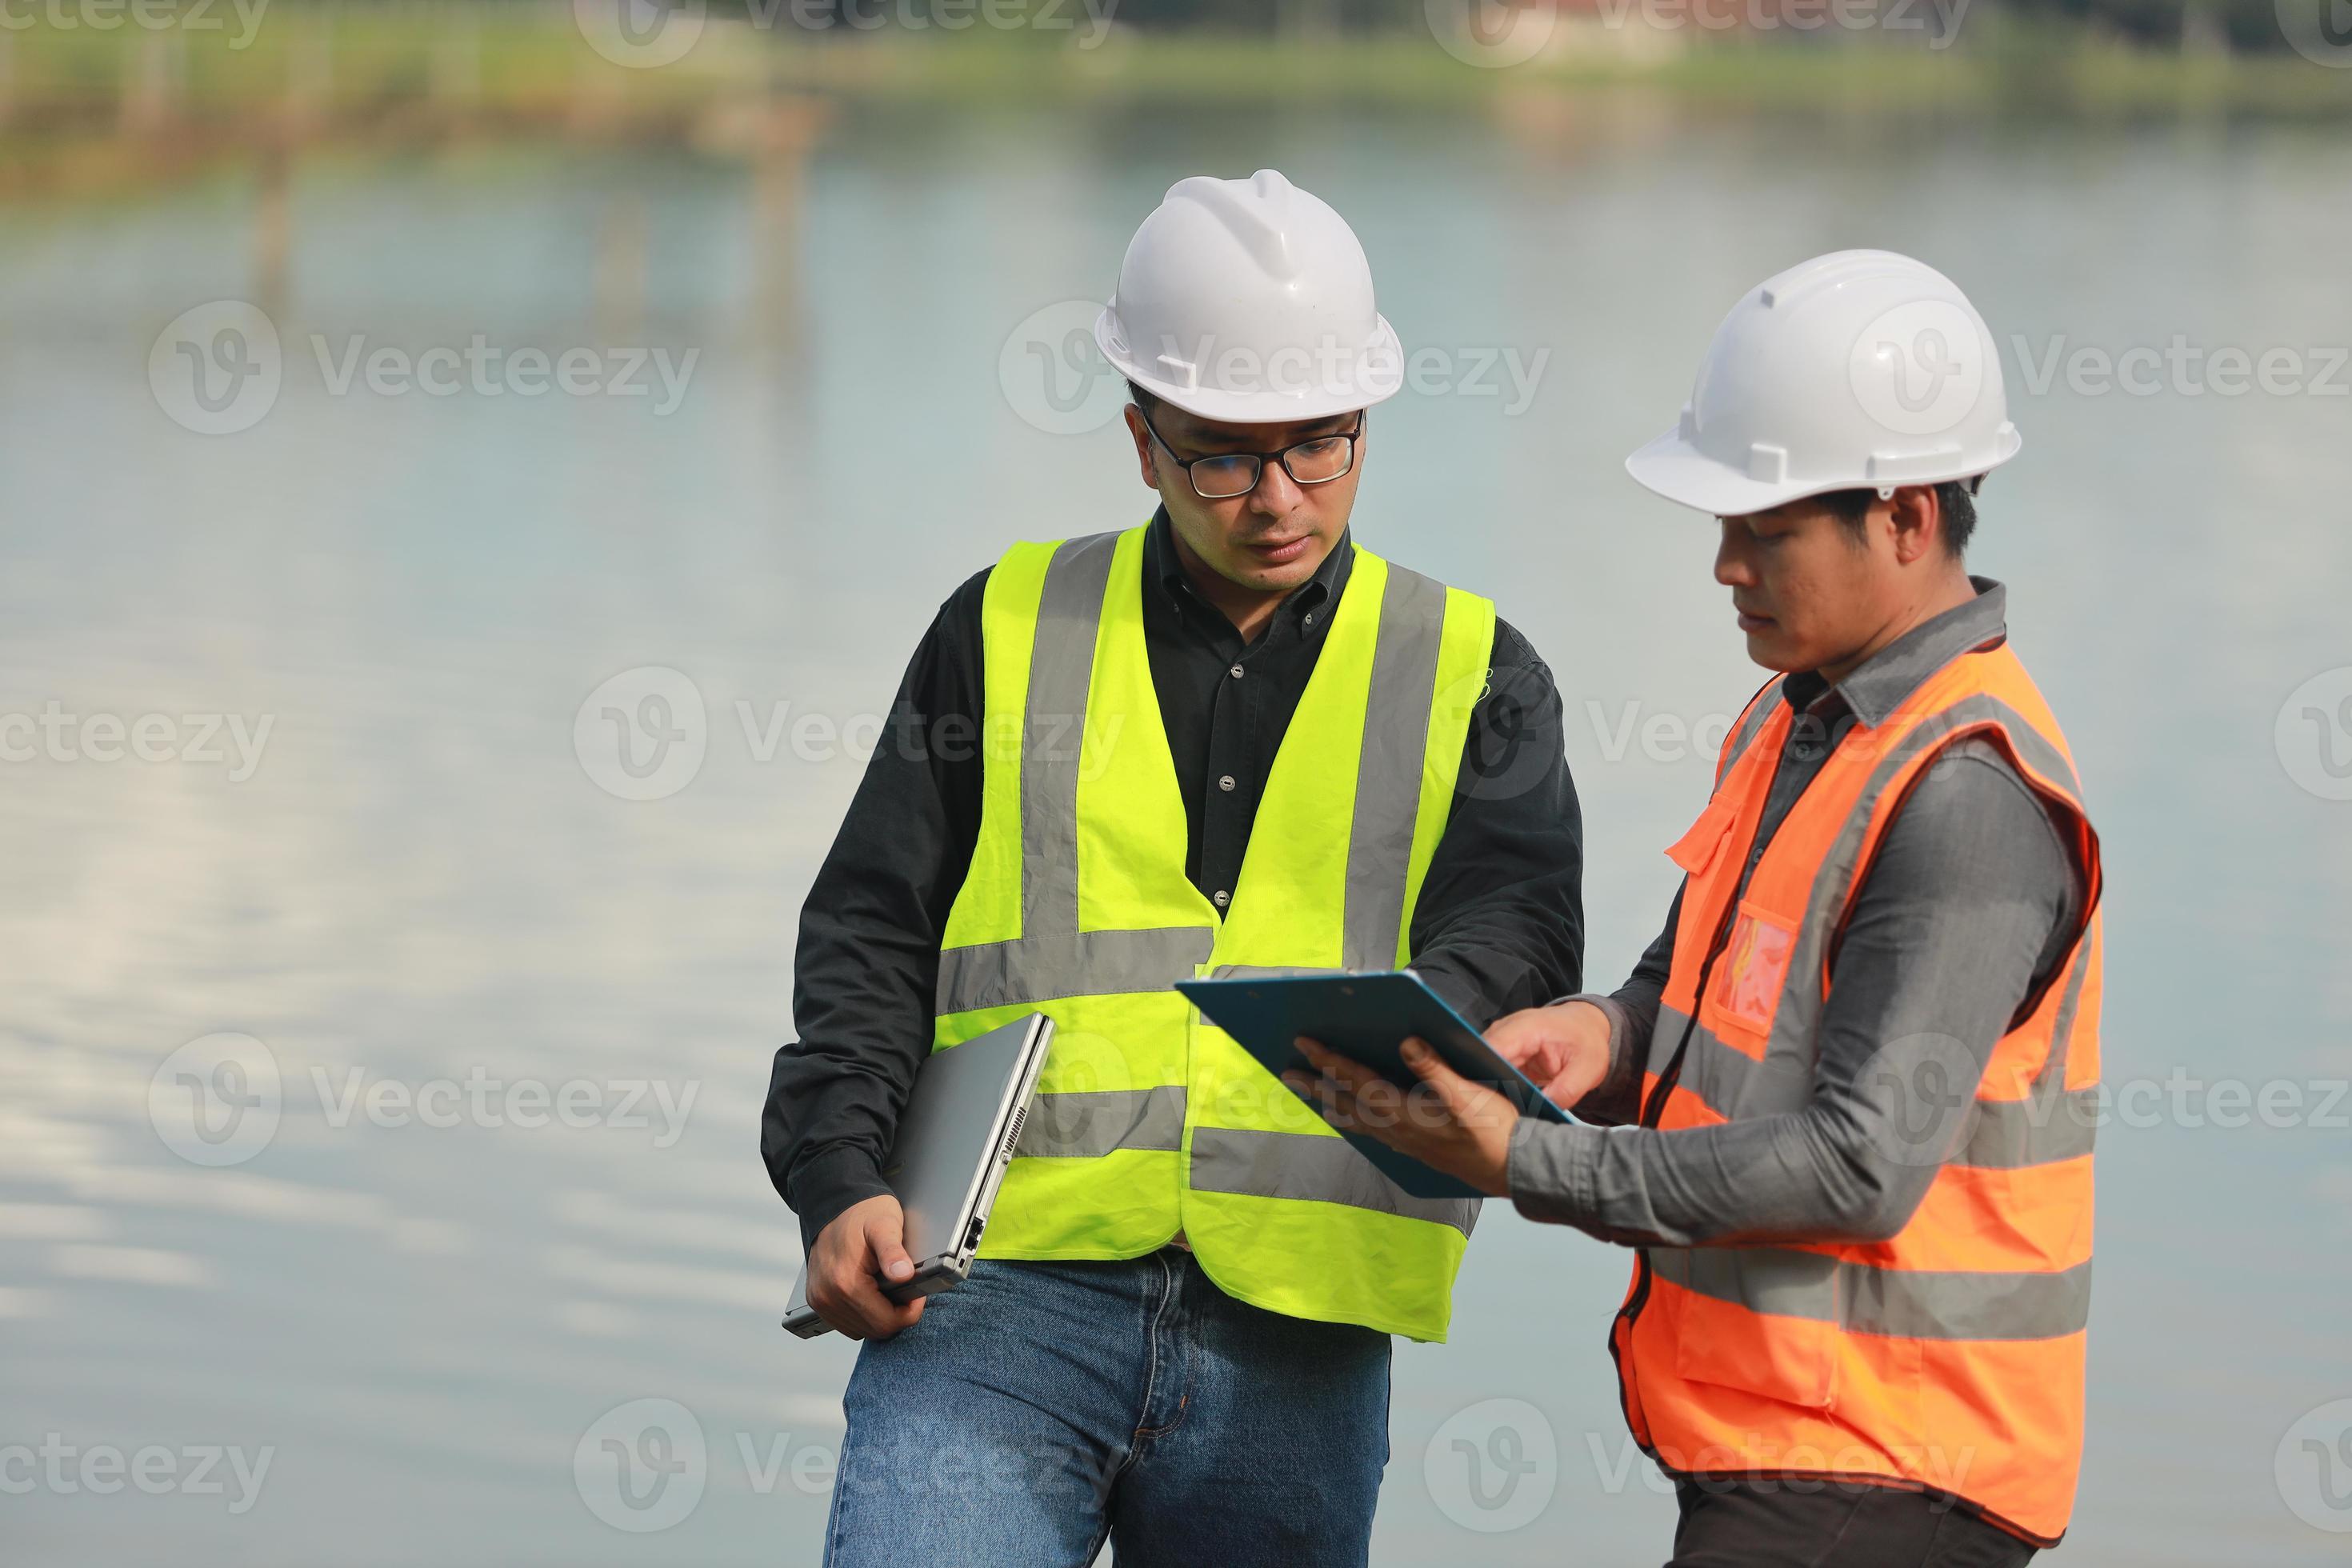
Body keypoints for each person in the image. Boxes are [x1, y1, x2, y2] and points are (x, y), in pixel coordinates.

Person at [761, 168, 1586, 1566]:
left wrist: (1411, 1022)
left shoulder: (1477, 670)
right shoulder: (1001, 626)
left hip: (1302, 1326)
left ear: (1366, 423)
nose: (1278, 499)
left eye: (1319, 447)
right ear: (1141, 438)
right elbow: (870, 929)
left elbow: (1519, 932)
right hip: (998, 1298)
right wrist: (840, 1177)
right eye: (1222, 454)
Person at [1290, 250, 2103, 1566]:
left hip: (1894, 1469)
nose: (1725, 567)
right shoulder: (1798, 725)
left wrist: (1524, 1160)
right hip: (1789, 1450)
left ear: (1904, 519)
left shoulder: (1964, 794)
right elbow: (1690, 991)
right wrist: (1599, 1037)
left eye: (1764, 530)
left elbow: (1859, 1166)